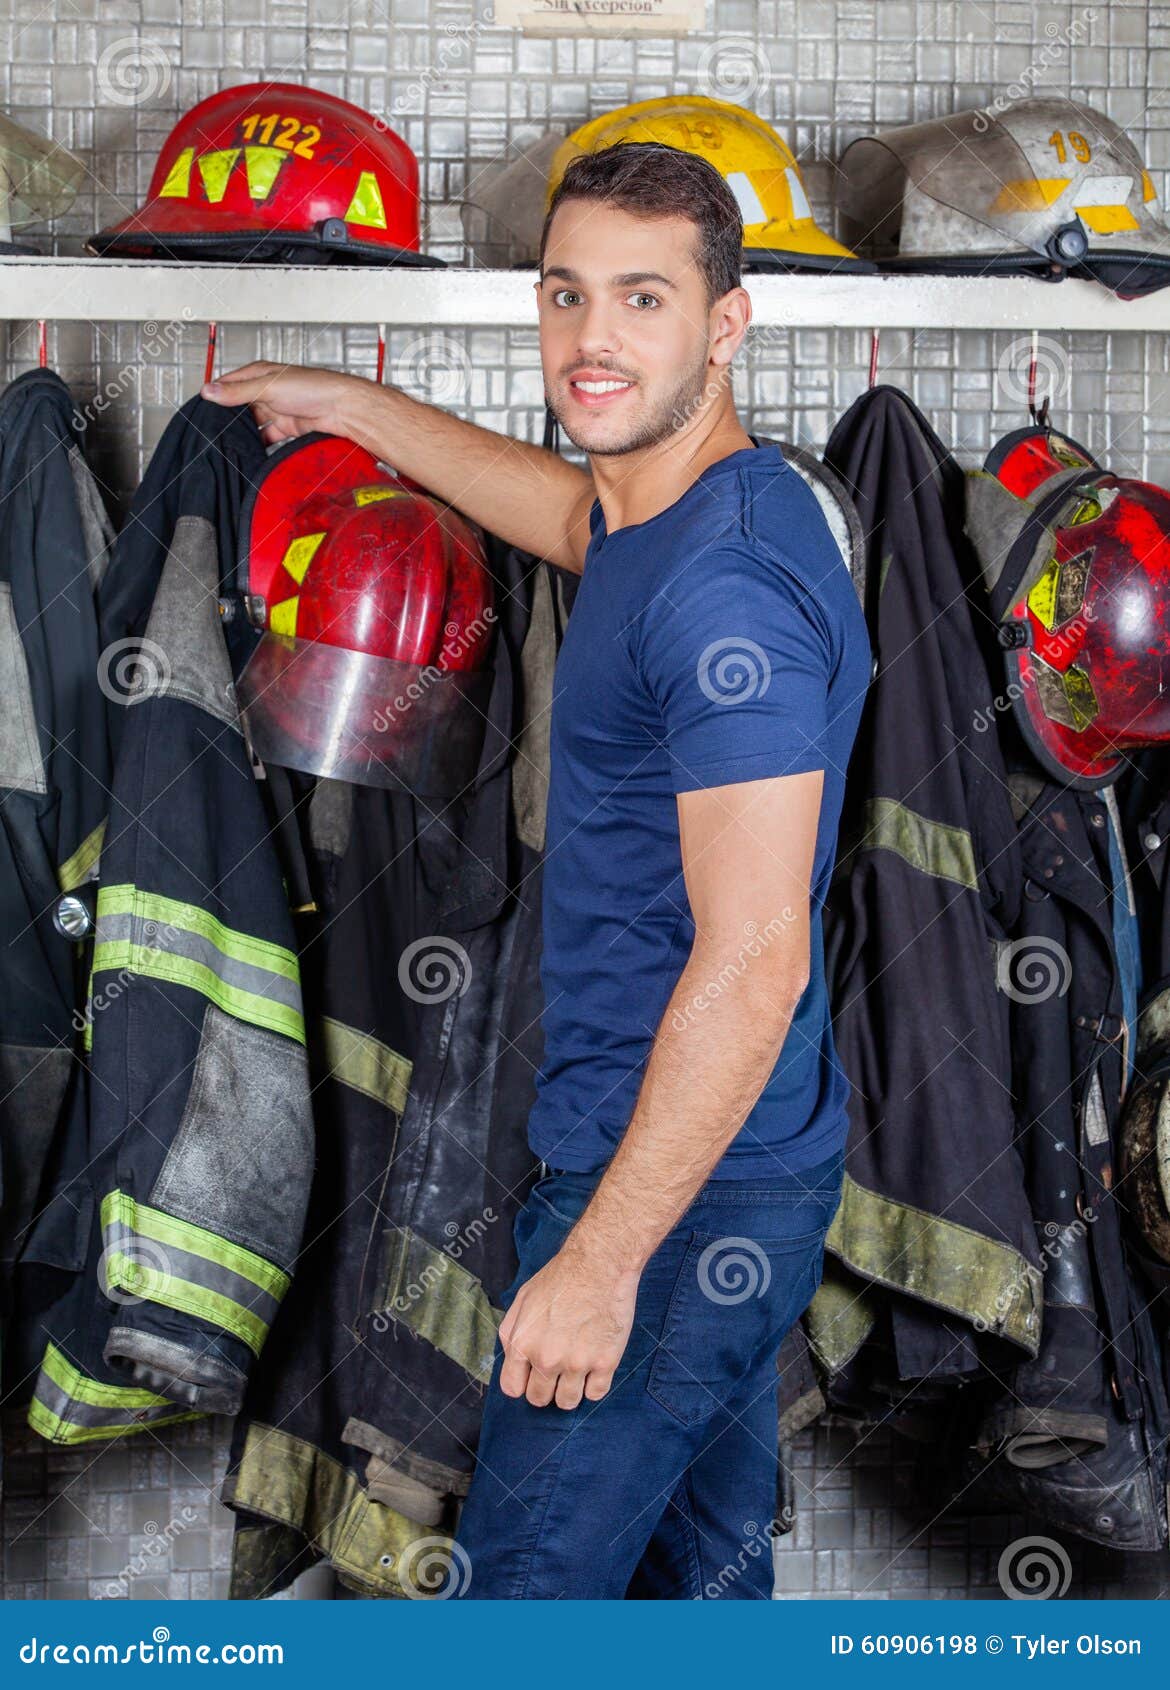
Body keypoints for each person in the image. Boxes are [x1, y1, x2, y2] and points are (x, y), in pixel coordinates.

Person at [204, 139, 872, 1600]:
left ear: (727, 321)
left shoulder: (720, 591)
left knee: (523, 1608)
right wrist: (365, 409)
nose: (592, 340)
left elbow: (753, 954)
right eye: (567, 296)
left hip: (673, 1190)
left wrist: (601, 1261)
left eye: (643, 299)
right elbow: (572, 518)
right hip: (731, 1162)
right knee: (693, 1601)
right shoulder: (687, 510)